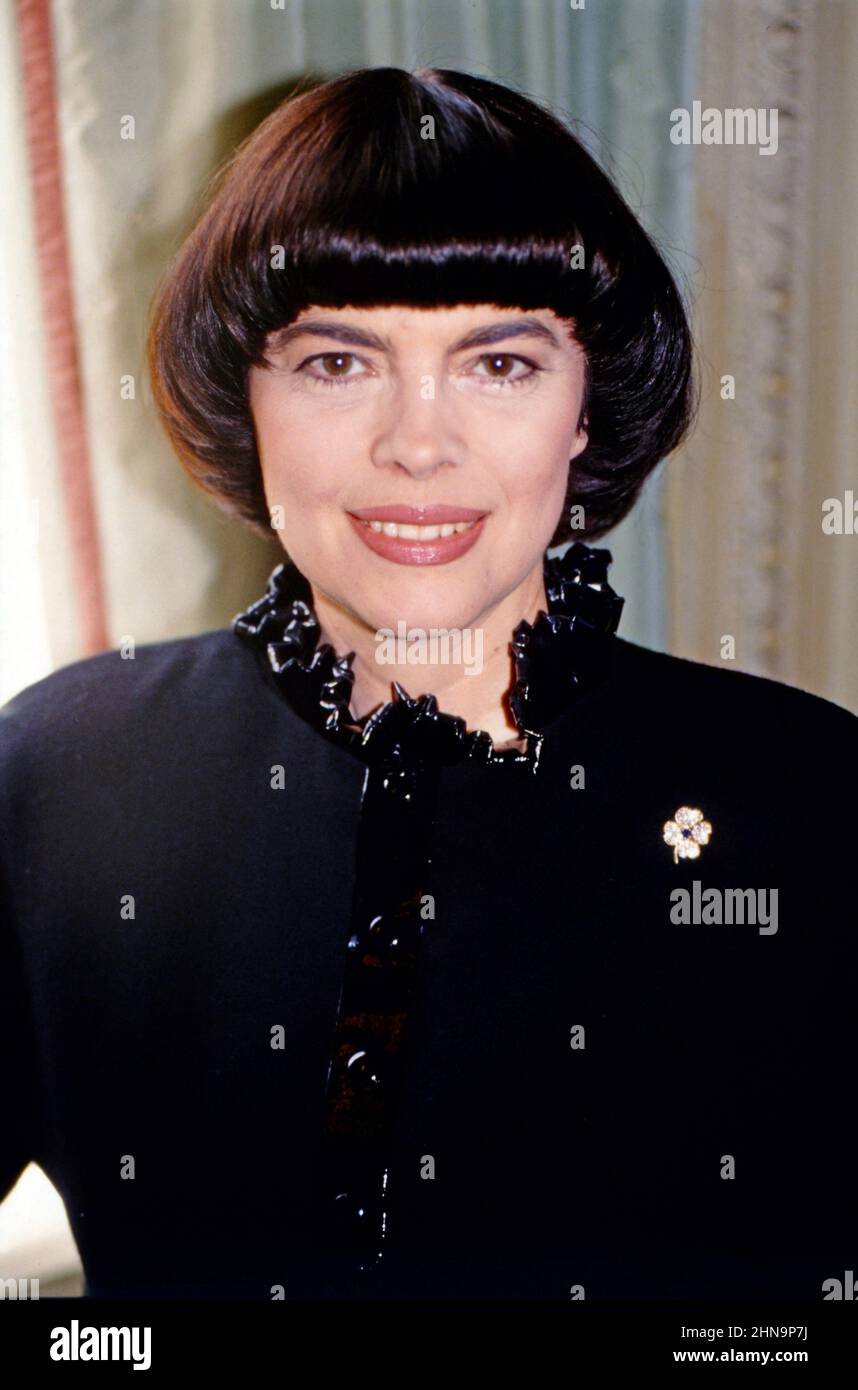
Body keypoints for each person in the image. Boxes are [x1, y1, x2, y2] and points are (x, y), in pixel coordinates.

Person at [1, 65, 855, 1301]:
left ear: (585, 406)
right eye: (337, 362)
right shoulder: (60, 780)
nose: (416, 442)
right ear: (248, 396)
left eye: (498, 364)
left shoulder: (806, 796)